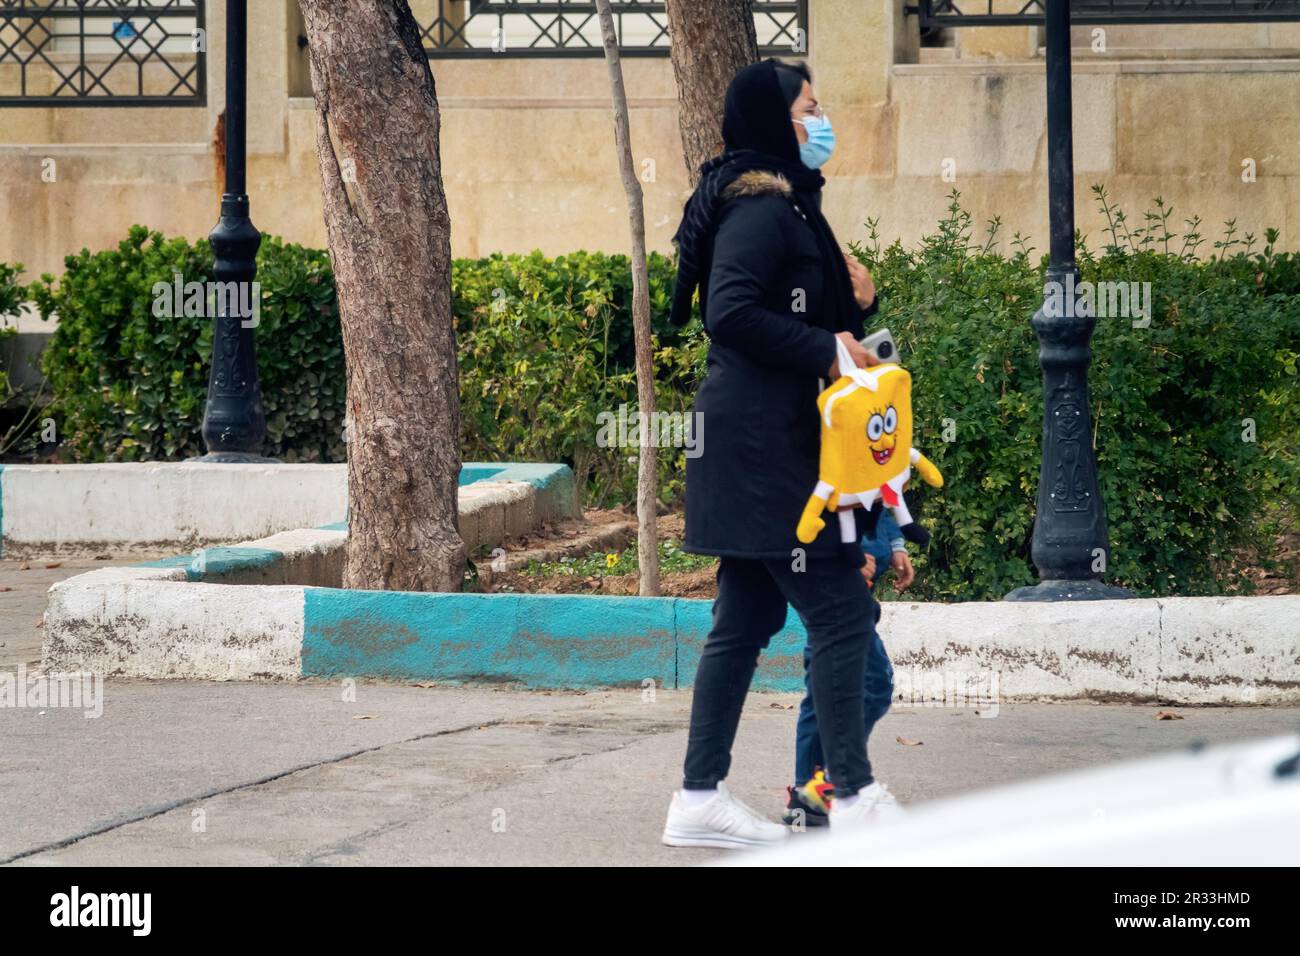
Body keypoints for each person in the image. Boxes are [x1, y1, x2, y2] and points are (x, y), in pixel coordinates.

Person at [661, 58, 895, 850]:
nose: (820, 121)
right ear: (773, 120)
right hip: (767, 456)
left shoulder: (786, 203)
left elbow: (797, 316)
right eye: (809, 108)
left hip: (753, 446)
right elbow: (729, 315)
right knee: (840, 611)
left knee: (747, 616)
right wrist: (828, 347)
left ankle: (698, 798)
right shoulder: (760, 209)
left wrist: (855, 309)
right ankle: (853, 800)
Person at [784, 509, 914, 827]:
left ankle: (811, 793)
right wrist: (845, 556)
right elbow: (812, 499)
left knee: (822, 688)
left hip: (850, 582)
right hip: (833, 578)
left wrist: (895, 544)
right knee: (874, 684)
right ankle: (838, 783)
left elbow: (876, 493)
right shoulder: (823, 461)